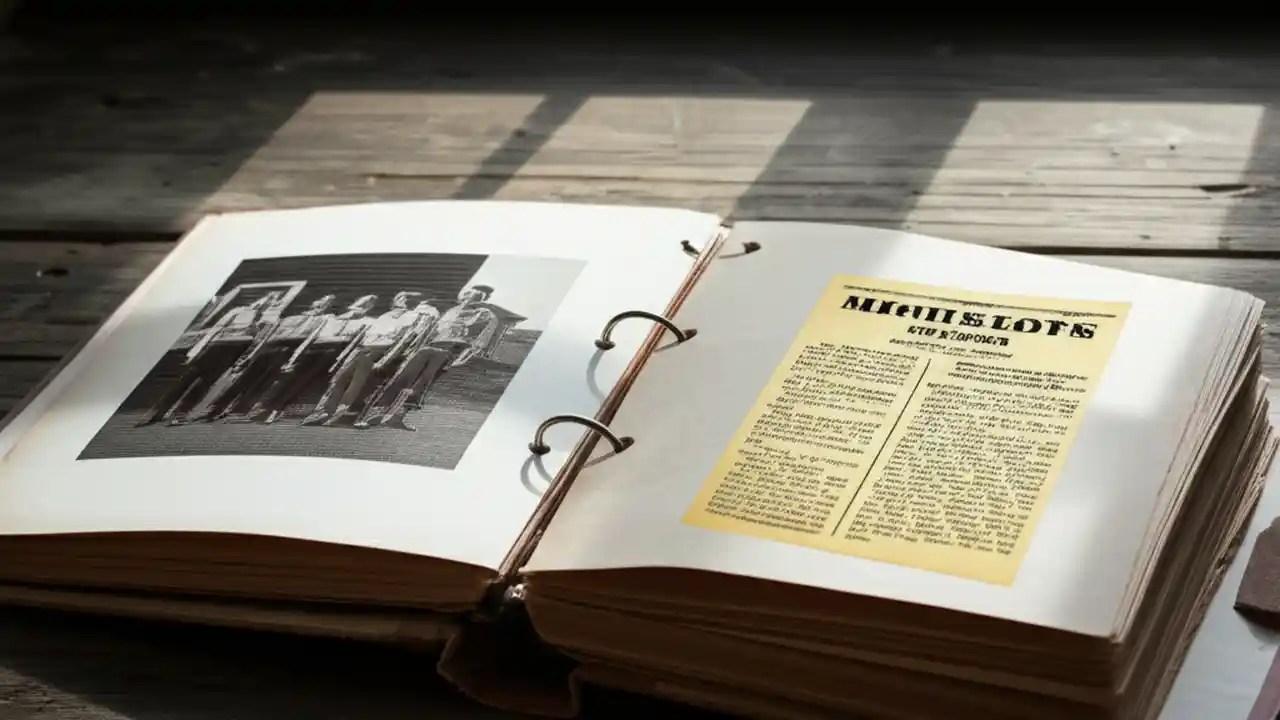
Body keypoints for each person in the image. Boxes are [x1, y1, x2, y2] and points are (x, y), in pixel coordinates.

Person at [354, 284, 498, 431]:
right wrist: (415, 348)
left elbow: (479, 339)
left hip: (448, 352)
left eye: (478, 295)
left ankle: (398, 417)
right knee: (402, 379)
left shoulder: (484, 314)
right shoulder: (451, 311)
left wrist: (462, 358)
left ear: (484, 298)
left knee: (421, 385)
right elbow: (432, 331)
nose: (470, 297)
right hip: (426, 348)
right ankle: (375, 415)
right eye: (469, 294)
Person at [183, 293, 337, 422]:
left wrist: (293, 358)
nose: (321, 307)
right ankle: (215, 410)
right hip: (268, 348)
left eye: (325, 305)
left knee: (264, 381)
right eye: (320, 303)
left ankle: (240, 412)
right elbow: (266, 337)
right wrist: (251, 354)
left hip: (287, 350)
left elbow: (309, 339)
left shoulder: (321, 320)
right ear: (312, 304)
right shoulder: (288, 318)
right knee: (244, 380)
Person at [135, 292, 280, 426]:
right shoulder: (238, 311)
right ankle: (156, 412)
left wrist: (247, 356)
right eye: (268, 298)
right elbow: (216, 329)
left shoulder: (267, 319)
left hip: (235, 351)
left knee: (205, 384)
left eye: (273, 302)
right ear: (260, 299)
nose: (267, 303)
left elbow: (259, 340)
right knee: (187, 379)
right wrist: (196, 349)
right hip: (216, 346)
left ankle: (181, 413)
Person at [300, 290, 432, 427]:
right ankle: (327, 411)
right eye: (400, 298)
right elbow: (366, 337)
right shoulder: (384, 316)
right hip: (365, 350)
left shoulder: (411, 317)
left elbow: (404, 341)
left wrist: (385, 359)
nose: (403, 301)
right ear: (394, 301)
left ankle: (343, 411)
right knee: (344, 375)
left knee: (361, 374)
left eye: (407, 298)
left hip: (386, 352)